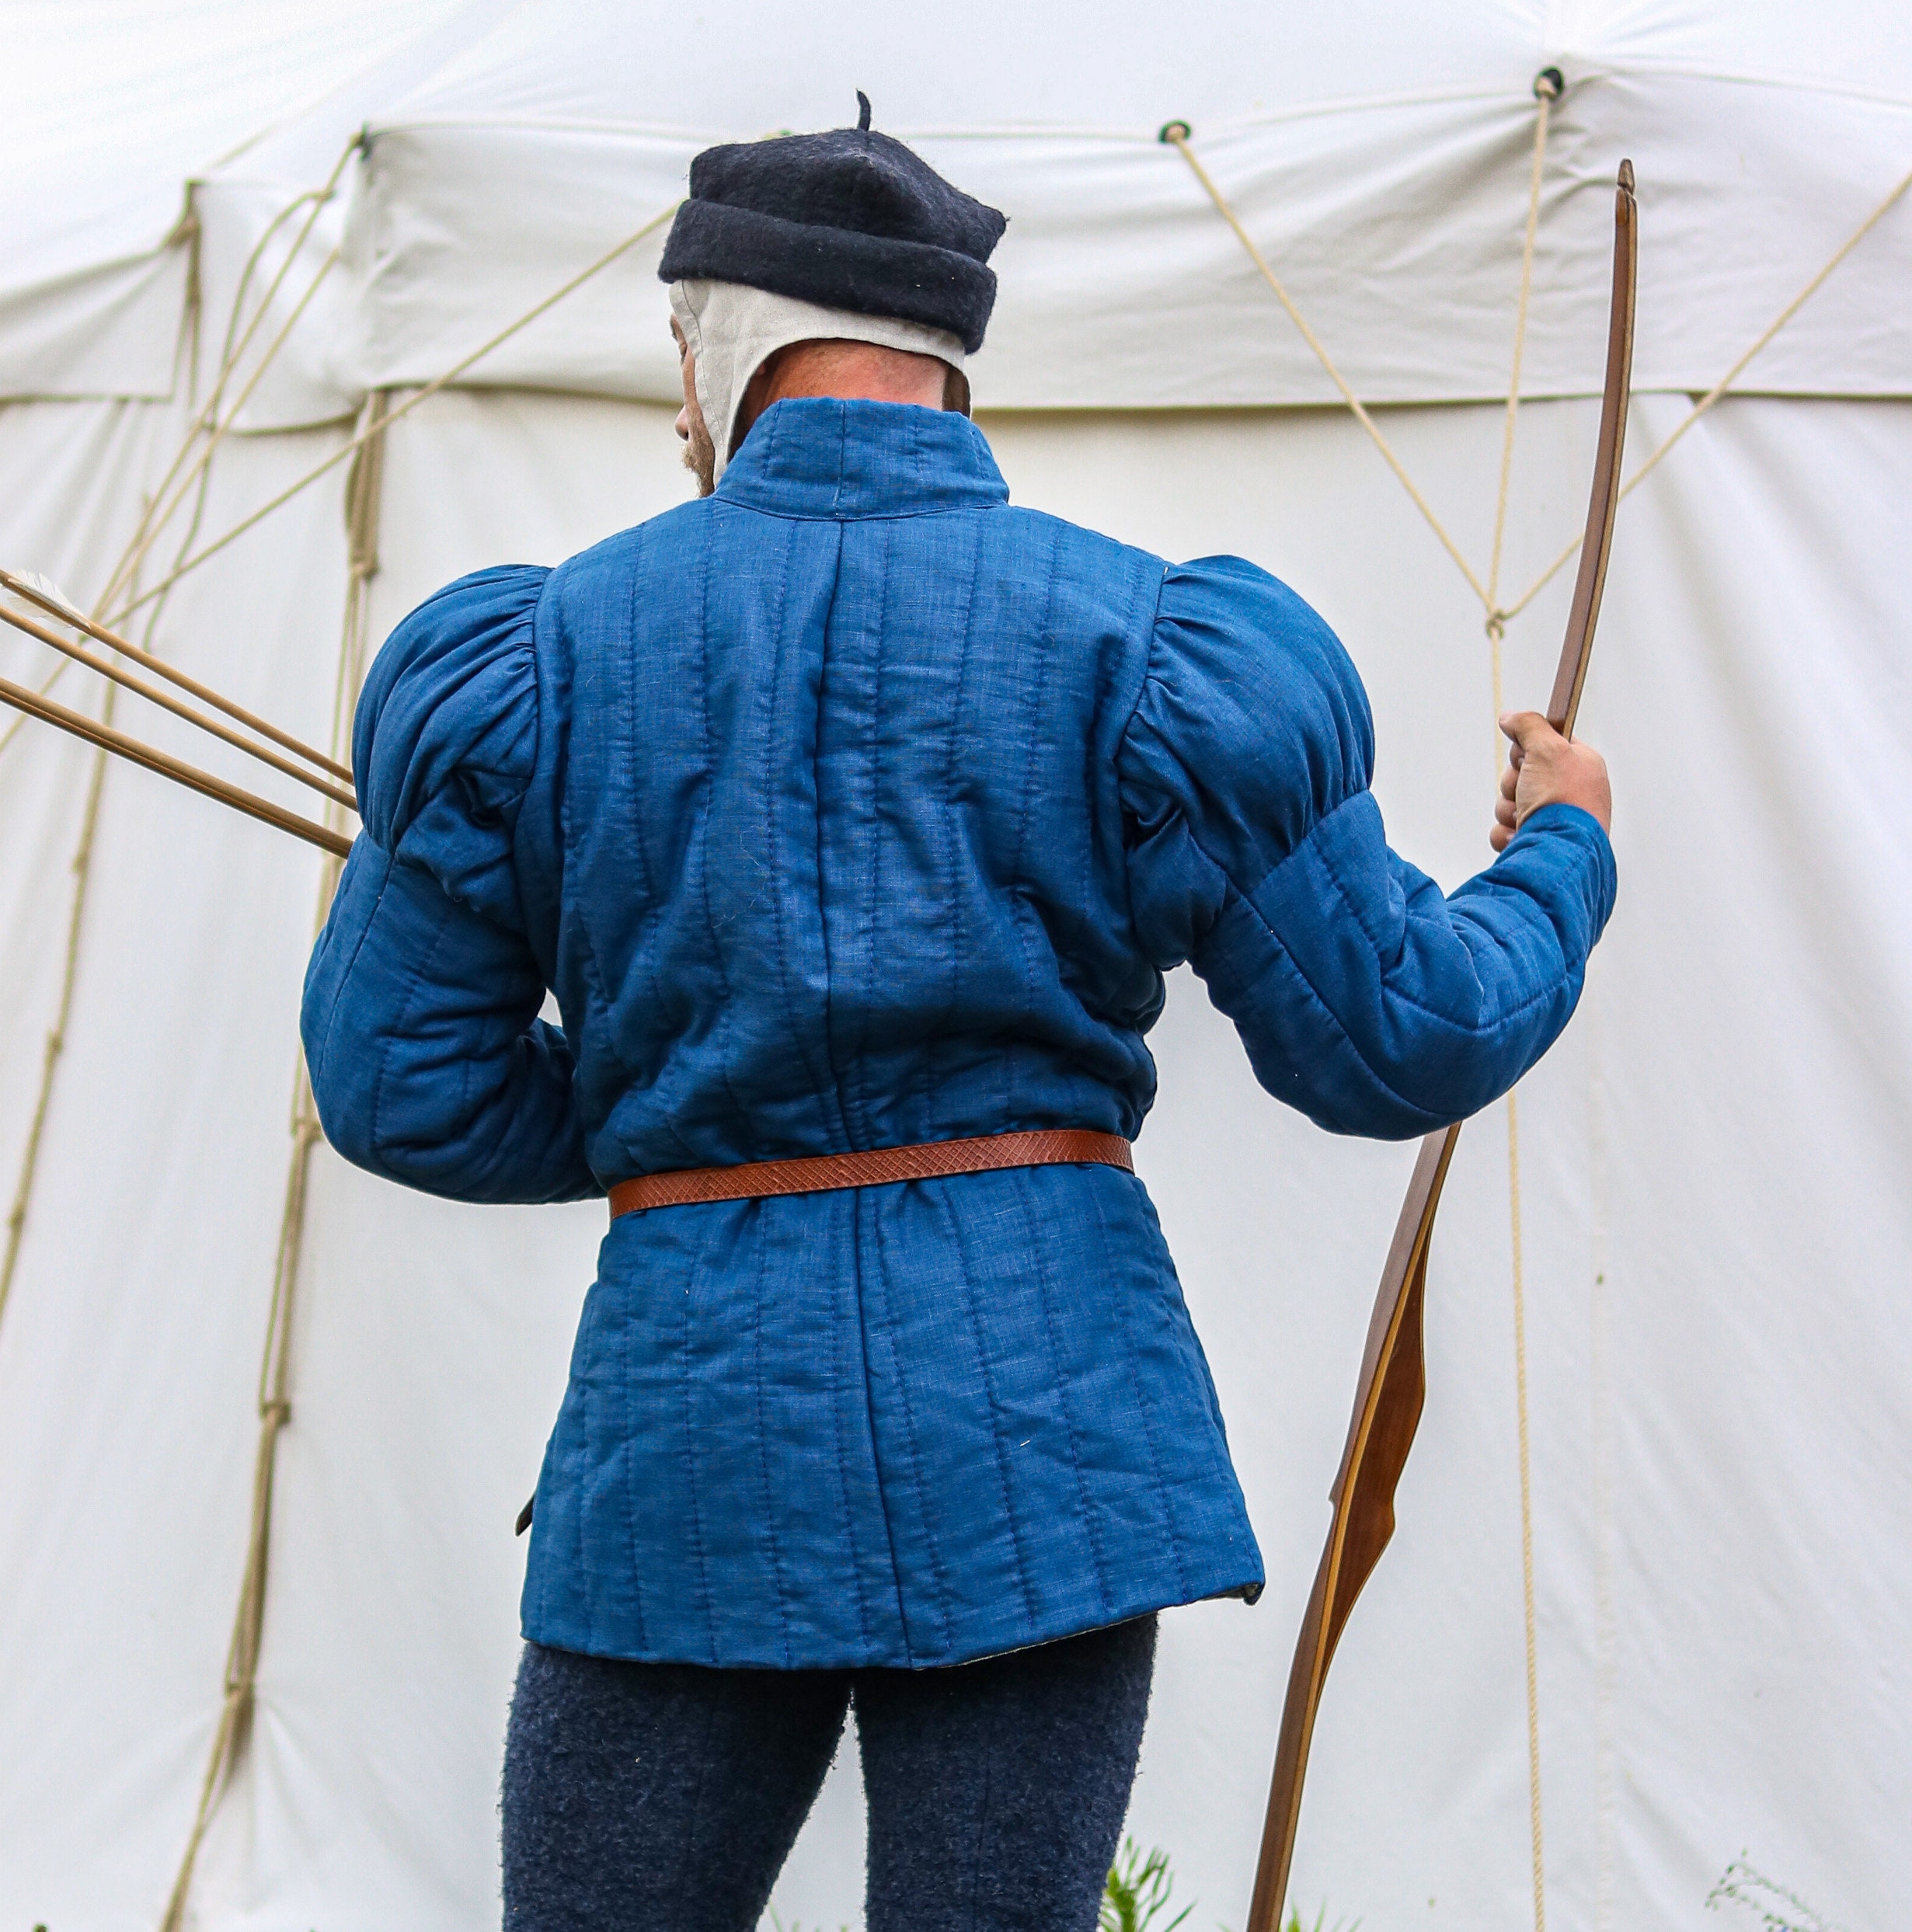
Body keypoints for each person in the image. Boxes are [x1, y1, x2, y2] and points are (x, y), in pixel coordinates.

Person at [301, 96, 1614, 1932]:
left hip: (695, 1442)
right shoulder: (1156, 650)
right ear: (945, 361)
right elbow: (1403, 1035)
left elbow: (399, 1085)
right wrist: (1563, 853)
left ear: (715, 344)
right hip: (1046, 1448)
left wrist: (698, 1119)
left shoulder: (534, 657)